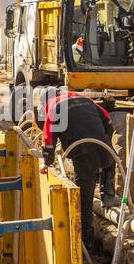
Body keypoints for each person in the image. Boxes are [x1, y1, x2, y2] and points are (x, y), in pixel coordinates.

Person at [42, 89, 116, 247]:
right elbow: (108, 121)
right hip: (105, 151)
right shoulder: (87, 100)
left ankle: (85, 241)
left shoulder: (54, 107)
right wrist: (105, 141)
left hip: (83, 154)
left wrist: (47, 162)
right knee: (110, 162)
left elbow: (48, 138)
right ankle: (107, 194)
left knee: (84, 198)